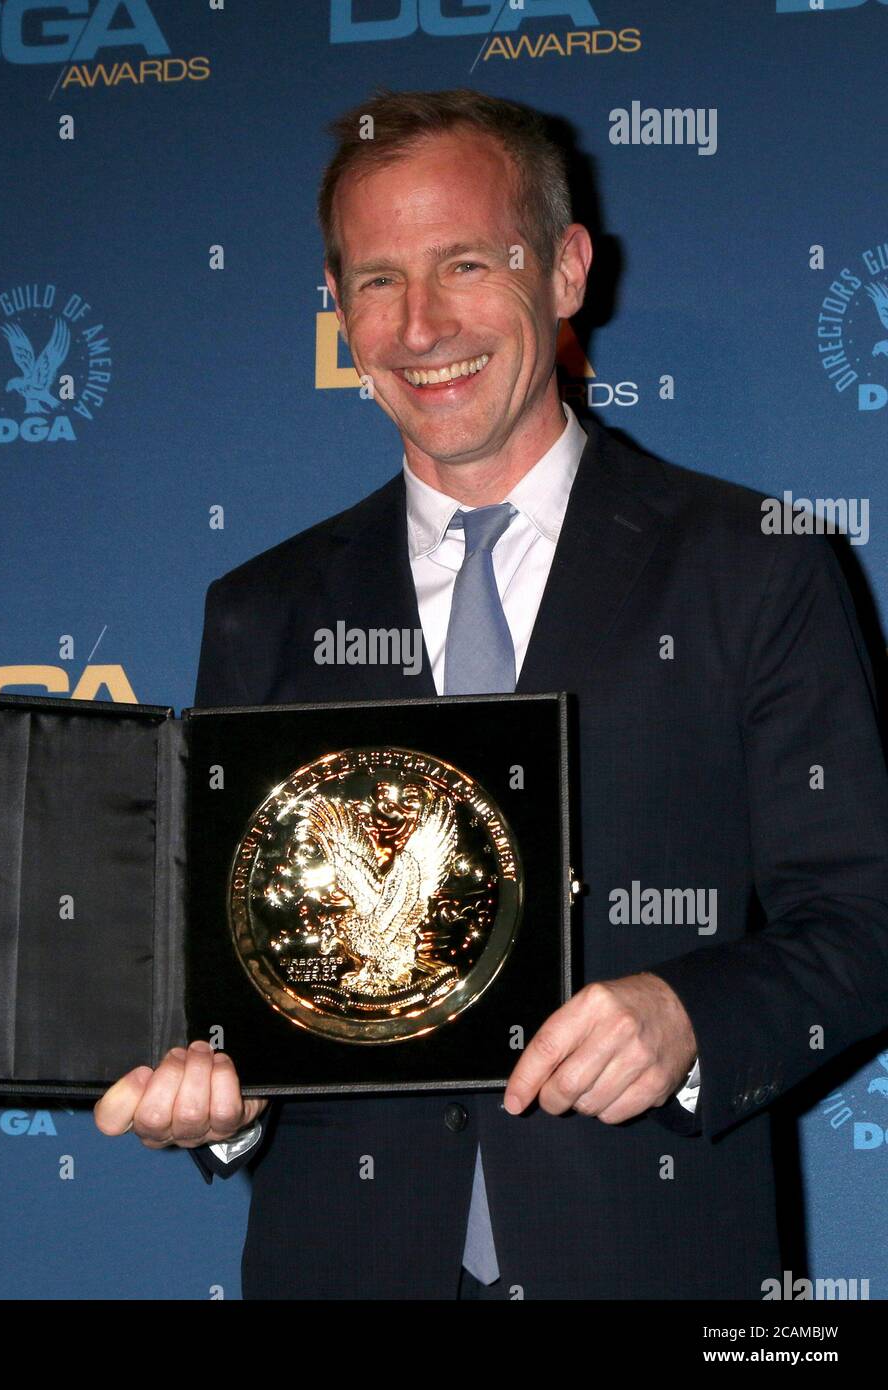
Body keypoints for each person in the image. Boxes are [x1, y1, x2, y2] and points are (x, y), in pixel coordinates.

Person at [94, 88, 888, 1300]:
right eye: (374, 281)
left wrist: (686, 1017)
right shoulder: (259, 610)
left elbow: (864, 922)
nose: (419, 326)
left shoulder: (753, 564)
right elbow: (234, 991)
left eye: (464, 262)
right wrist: (223, 1098)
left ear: (564, 270)